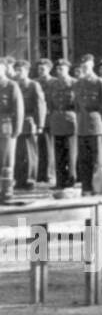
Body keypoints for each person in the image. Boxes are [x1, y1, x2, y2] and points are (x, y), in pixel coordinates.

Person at [72, 55, 102, 195]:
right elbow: (76, 105)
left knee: (97, 160)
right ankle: (86, 188)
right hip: (82, 124)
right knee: (83, 160)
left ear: (92, 66)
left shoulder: (100, 82)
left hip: (96, 124)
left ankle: (99, 189)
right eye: (82, 67)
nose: (85, 69)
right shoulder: (78, 83)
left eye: (87, 66)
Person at [11, 60, 45, 192]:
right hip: (16, 123)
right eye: (17, 70)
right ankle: (19, 179)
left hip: (29, 122)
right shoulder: (14, 85)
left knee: (29, 153)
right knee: (19, 153)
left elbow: (40, 105)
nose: (19, 73)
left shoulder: (33, 85)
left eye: (21, 70)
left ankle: (30, 180)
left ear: (27, 71)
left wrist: (40, 124)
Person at [46, 59, 78, 192]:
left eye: (62, 68)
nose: (59, 71)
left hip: (70, 119)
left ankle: (71, 179)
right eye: (58, 69)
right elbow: (49, 102)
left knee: (70, 152)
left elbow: (78, 103)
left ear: (68, 69)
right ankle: (60, 181)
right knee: (58, 152)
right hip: (57, 120)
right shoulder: (52, 84)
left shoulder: (74, 83)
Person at [0, 57, 23, 205]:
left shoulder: (11, 85)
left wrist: (17, 129)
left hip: (5, 128)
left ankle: (7, 193)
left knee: (7, 161)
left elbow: (18, 109)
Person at [33, 58, 55, 185]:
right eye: (39, 69)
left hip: (50, 118)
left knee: (49, 147)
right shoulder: (34, 82)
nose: (40, 71)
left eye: (43, 69)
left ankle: (49, 174)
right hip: (37, 118)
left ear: (49, 69)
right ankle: (39, 174)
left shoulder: (54, 82)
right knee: (38, 147)